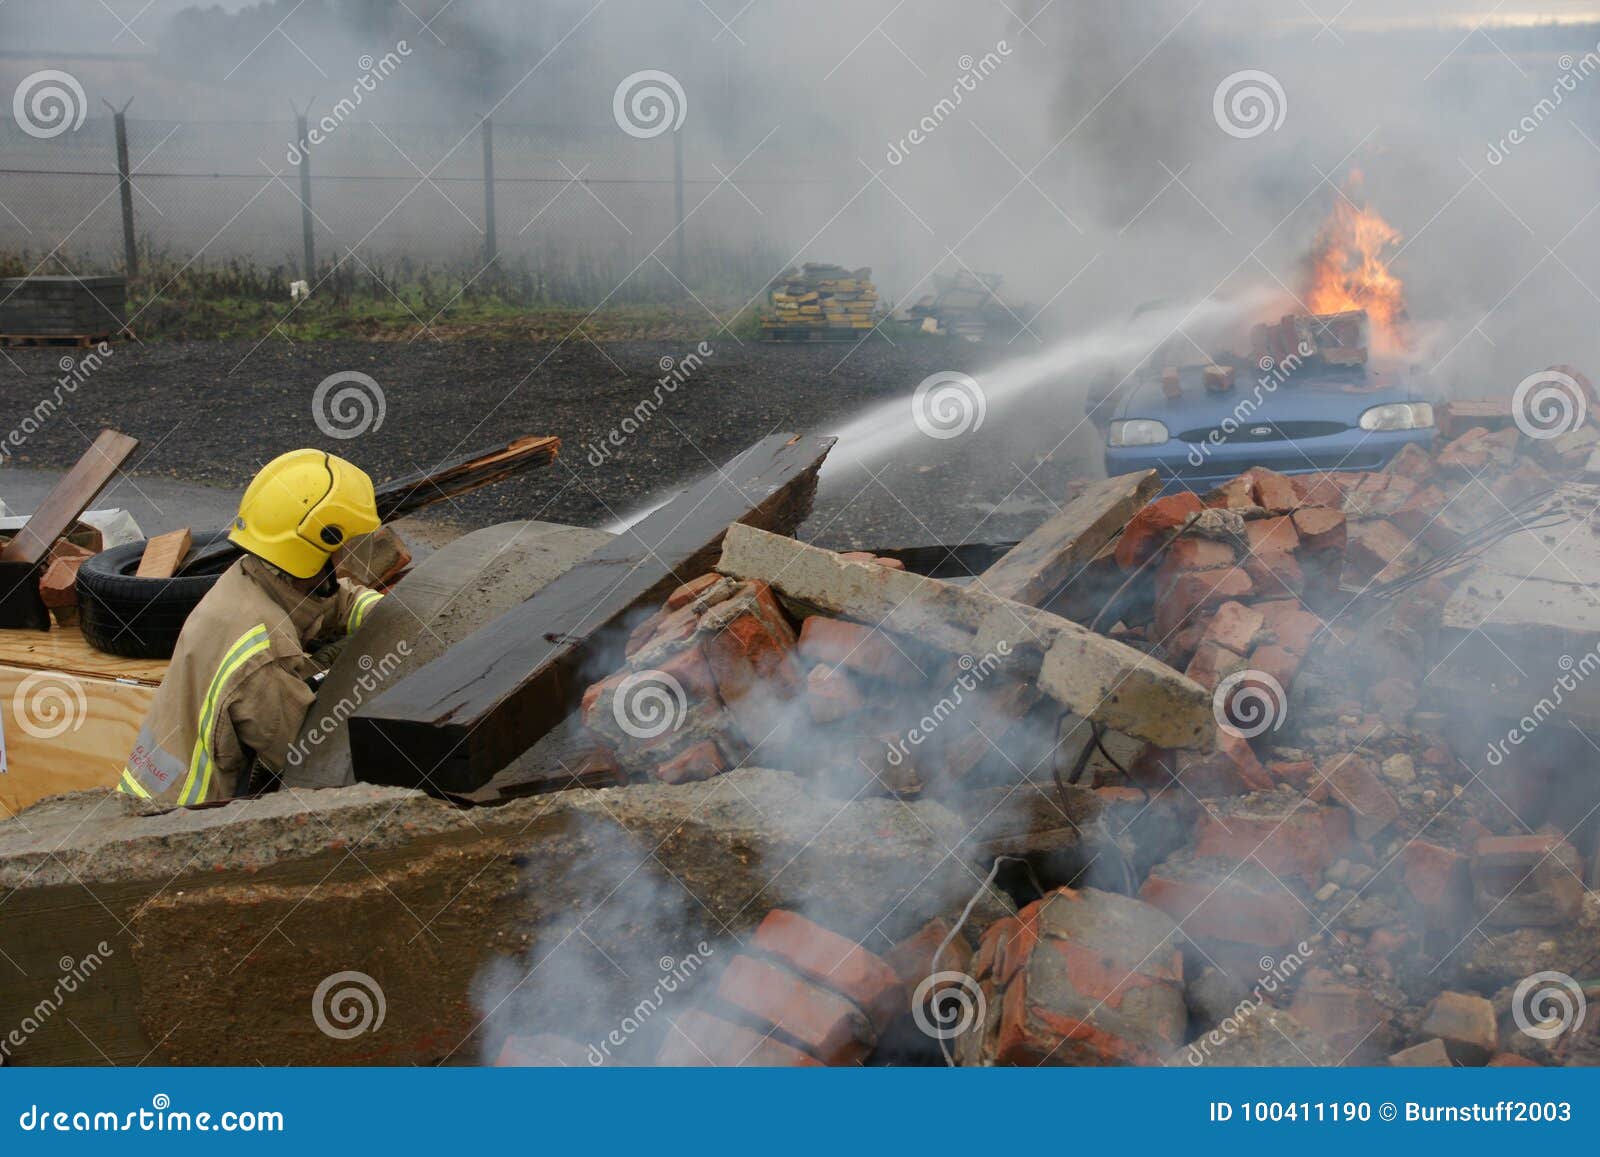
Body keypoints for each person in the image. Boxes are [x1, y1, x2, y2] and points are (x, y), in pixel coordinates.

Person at [119, 449, 384, 806]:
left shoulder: (254, 576)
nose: (345, 559)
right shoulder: (262, 647)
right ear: (314, 552)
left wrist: (392, 615)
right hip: (186, 820)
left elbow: (335, 602)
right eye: (342, 547)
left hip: (150, 787)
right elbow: (308, 759)